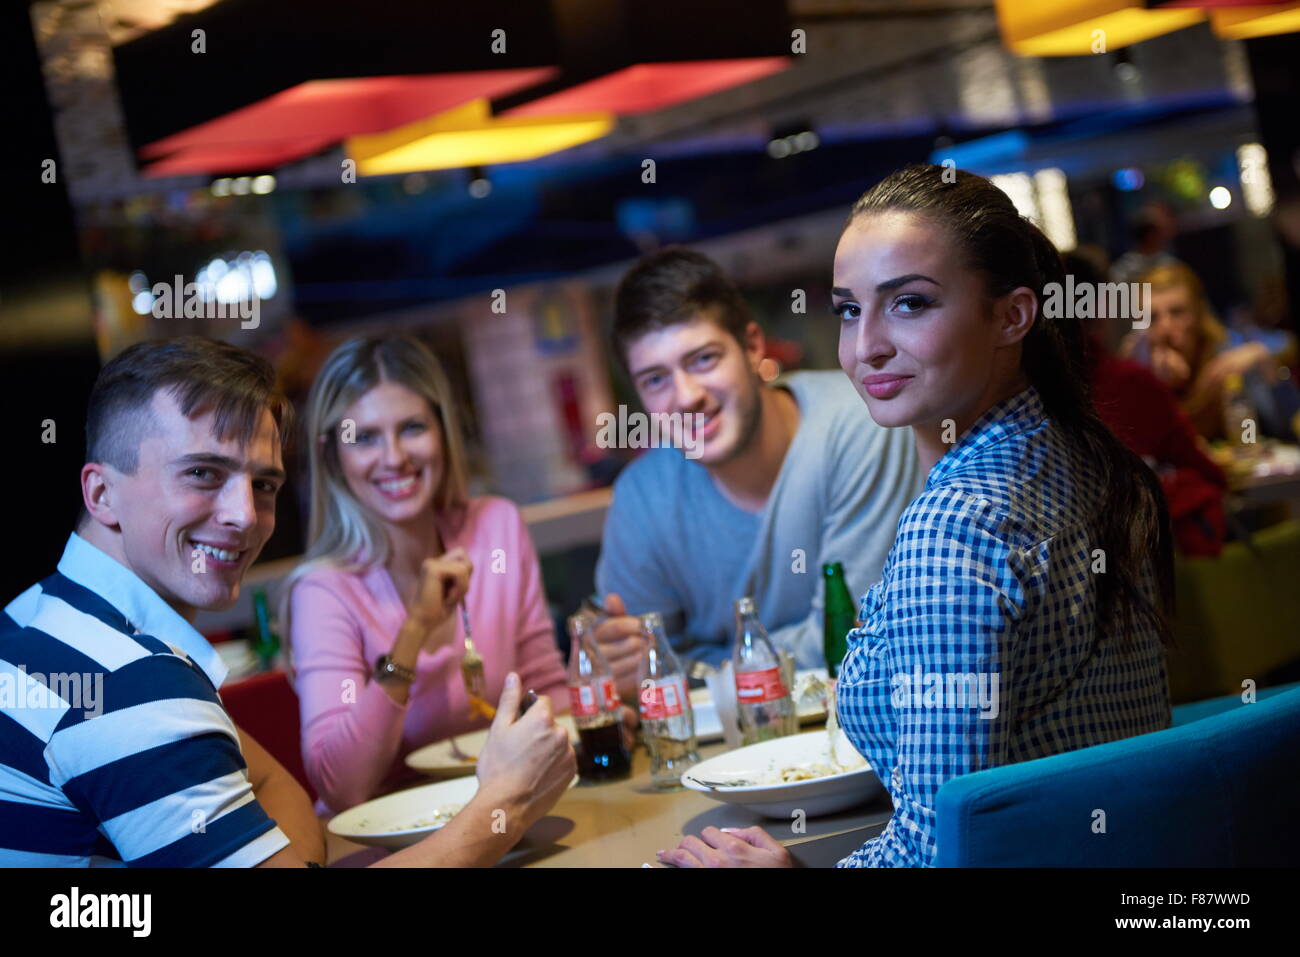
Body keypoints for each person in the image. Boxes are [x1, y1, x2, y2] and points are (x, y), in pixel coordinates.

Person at [660, 165, 1173, 868]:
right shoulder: (1090, 459)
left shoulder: (958, 525)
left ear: (1011, 315)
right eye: (848, 309)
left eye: (909, 304)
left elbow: (942, 852)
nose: (865, 344)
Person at [0, 336, 574, 867]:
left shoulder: (37, 621)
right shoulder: (129, 684)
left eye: (264, 485)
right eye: (202, 473)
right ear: (102, 493)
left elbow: (287, 795)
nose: (245, 515)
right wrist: (506, 805)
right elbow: (327, 792)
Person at [286, 334, 620, 812]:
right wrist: (414, 630)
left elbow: (541, 691)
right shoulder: (323, 590)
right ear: (331, 456)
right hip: (391, 845)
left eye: (413, 428)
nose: (395, 456)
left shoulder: (496, 526)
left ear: (443, 431)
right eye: (364, 438)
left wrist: (601, 704)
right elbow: (342, 786)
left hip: (508, 813)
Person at [593, 247, 922, 693]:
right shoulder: (641, 496)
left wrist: (693, 670)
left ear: (752, 347)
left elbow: (852, 641)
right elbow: (641, 675)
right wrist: (618, 662)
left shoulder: (859, 427)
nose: (686, 396)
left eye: (703, 359)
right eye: (655, 379)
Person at [1120, 262, 1276, 441]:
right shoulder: (1136, 370)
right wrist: (1150, 389)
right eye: (1152, 317)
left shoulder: (1226, 359)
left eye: (1177, 312)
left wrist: (1265, 365)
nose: (1166, 327)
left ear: (1198, 314)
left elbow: (1278, 431)